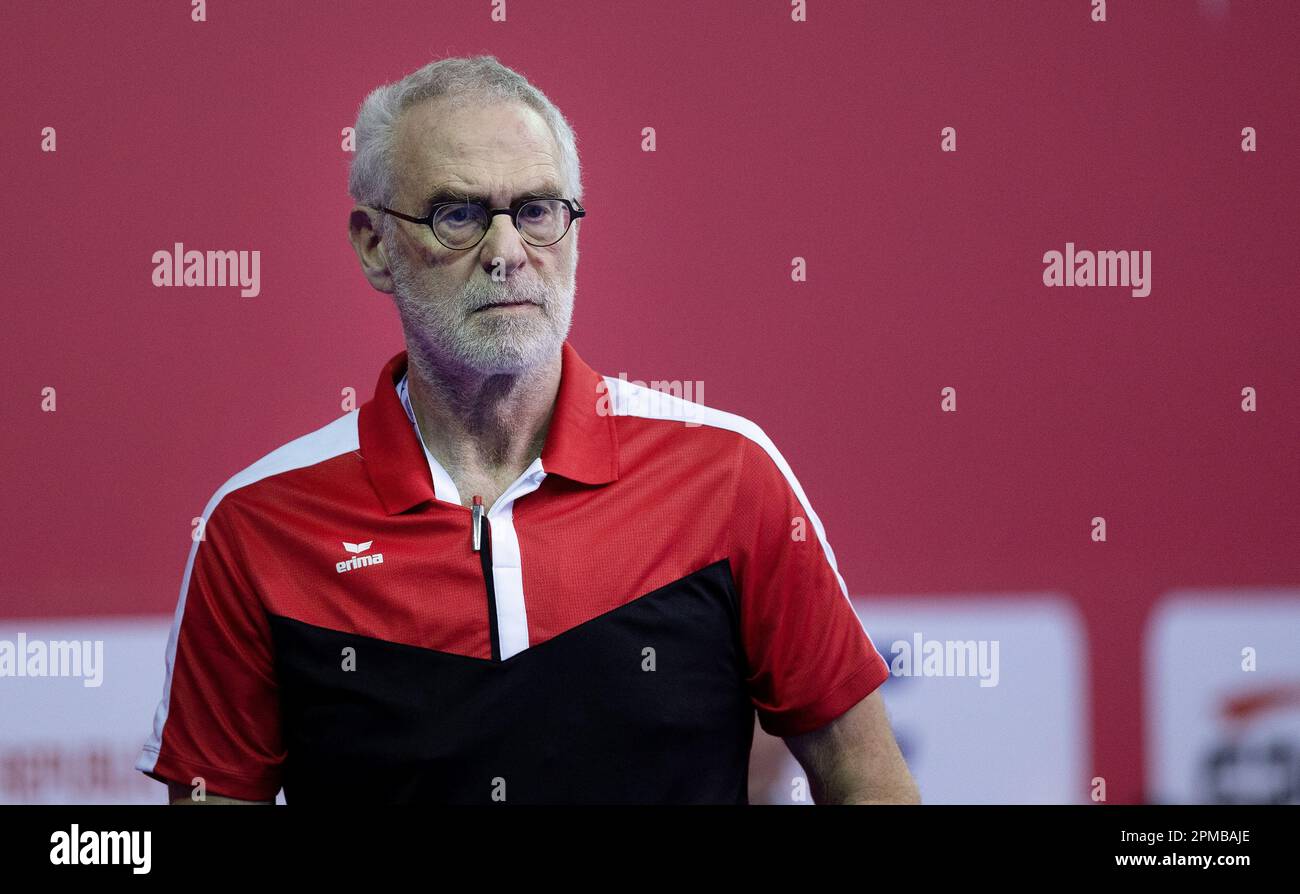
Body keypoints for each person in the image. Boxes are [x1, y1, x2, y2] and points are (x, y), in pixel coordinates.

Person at [136, 54, 919, 805]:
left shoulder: (729, 474)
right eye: (458, 216)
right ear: (375, 246)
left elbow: (871, 784)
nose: (506, 253)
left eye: (537, 211)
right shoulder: (256, 529)